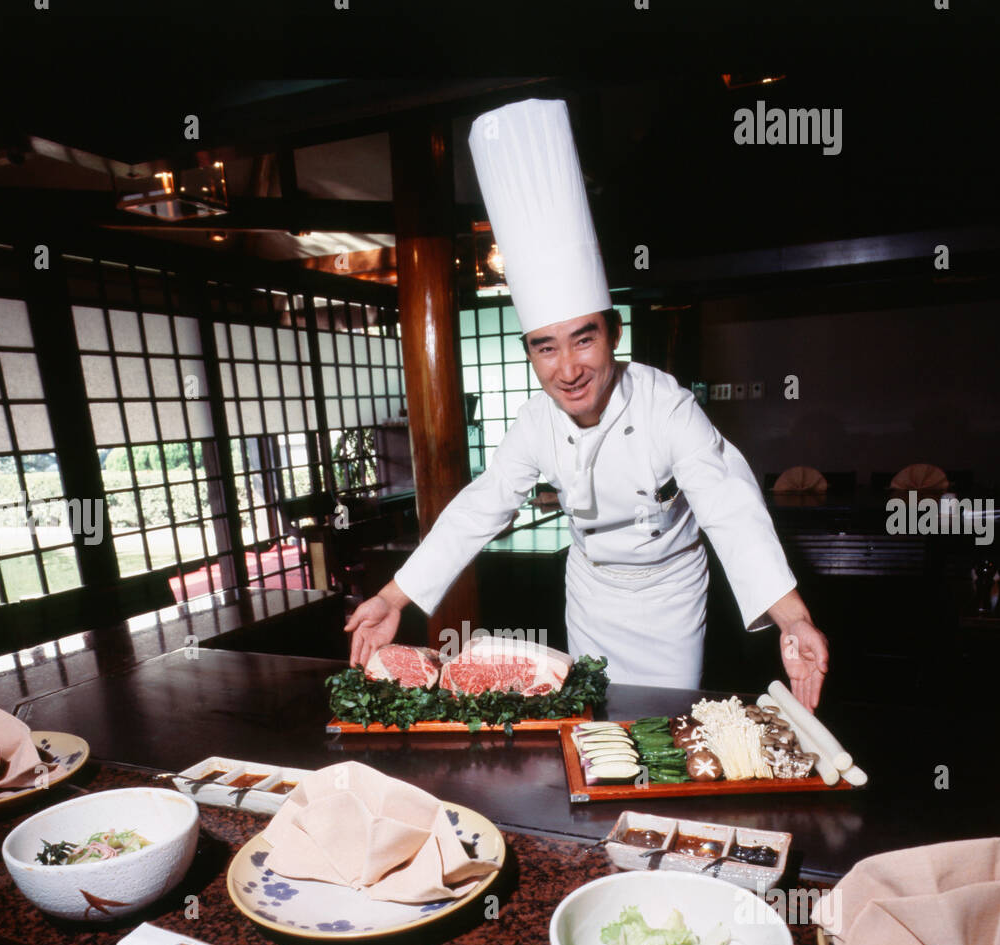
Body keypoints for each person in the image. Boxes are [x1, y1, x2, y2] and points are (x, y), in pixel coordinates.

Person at [345, 99, 828, 709]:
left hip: (670, 593)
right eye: (545, 348)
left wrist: (791, 617)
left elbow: (728, 502)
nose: (567, 369)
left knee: (661, 723)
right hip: (592, 593)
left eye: (584, 338)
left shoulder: (665, 406)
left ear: (614, 333)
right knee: (592, 719)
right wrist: (392, 597)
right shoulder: (533, 424)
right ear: (530, 354)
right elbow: (481, 507)